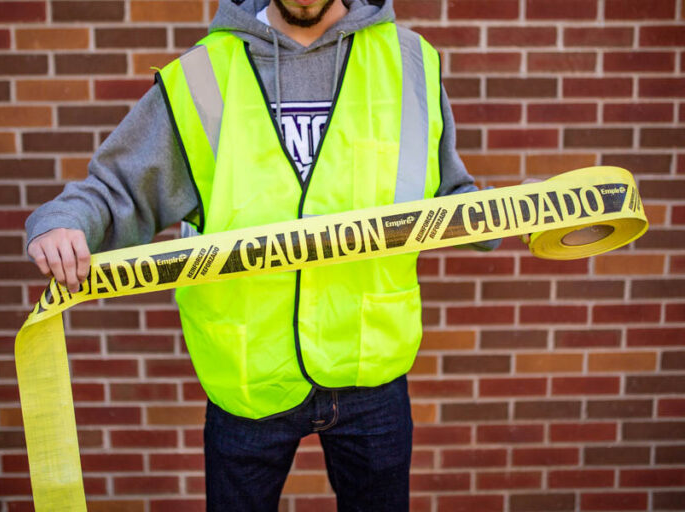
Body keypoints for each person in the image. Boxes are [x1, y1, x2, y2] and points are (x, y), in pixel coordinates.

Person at [26, 0, 499, 509]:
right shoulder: (205, 76)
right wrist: (63, 221)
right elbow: (118, 188)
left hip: (372, 370)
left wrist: (514, 213)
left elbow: (449, 191)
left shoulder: (408, 60)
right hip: (249, 375)